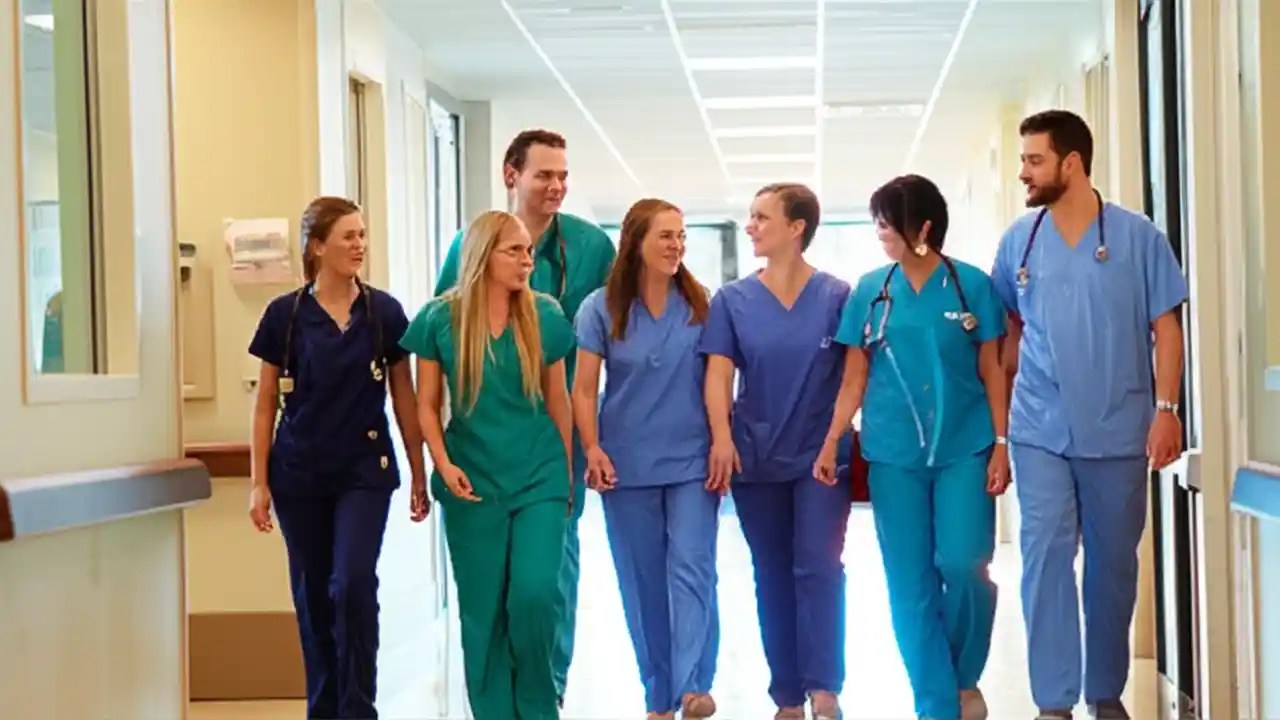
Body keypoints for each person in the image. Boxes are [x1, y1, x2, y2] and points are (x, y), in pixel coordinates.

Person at [991, 110, 1188, 720]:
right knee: (1044, 552)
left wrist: (1167, 410)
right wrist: (1000, 431)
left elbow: (1167, 327)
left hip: (1119, 424)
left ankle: (1105, 692)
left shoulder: (1137, 237)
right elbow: (1007, 335)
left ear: (1070, 163)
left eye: (1034, 160)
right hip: (1039, 428)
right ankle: (1053, 699)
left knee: (1112, 563)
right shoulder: (1018, 241)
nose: (1024, 171)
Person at [815, 175, 1010, 720]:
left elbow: (993, 370)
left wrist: (1001, 443)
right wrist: (833, 439)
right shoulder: (871, 291)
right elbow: (853, 378)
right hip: (893, 456)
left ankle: (962, 673)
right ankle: (937, 704)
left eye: (888, 219)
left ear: (922, 227)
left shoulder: (971, 287)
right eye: (877, 219)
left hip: (966, 449)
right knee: (910, 580)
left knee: (966, 561)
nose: (879, 229)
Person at [433, 129, 616, 701]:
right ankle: (499, 701)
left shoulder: (588, 246)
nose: (557, 186)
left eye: (563, 175)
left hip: (550, 440)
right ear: (511, 175)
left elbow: (617, 327)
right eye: (544, 174)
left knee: (548, 578)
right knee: (492, 584)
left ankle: (546, 691)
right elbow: (445, 331)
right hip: (482, 444)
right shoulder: (469, 244)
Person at [247, 196, 429, 719]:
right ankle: (323, 708)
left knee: (350, 583)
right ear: (317, 246)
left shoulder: (383, 313)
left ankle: (358, 707)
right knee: (313, 595)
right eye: (348, 236)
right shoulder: (285, 316)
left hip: (364, 473)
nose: (359, 245)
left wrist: (418, 472)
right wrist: (258, 483)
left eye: (363, 235)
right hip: (298, 473)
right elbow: (264, 406)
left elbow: (405, 398)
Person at [404, 210, 576, 720]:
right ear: (483, 256)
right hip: (471, 479)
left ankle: (539, 710)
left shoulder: (544, 316)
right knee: (482, 615)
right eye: (515, 251)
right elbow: (426, 404)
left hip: (539, 475)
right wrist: (441, 462)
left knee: (535, 596)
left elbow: (559, 400)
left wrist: (564, 472)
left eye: (529, 251)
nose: (527, 260)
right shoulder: (439, 319)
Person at [700, 183, 851, 720]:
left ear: (797, 228)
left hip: (820, 458)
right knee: (771, 571)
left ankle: (824, 685)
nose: (751, 226)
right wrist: (721, 437)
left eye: (762, 217)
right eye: (750, 217)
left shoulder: (837, 297)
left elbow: (855, 375)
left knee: (819, 566)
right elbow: (718, 374)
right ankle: (787, 693)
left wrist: (836, 437)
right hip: (755, 457)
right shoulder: (733, 301)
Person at [571, 198, 721, 720]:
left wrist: (722, 440)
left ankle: (693, 687)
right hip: (626, 464)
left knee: (693, 568)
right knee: (642, 581)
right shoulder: (600, 309)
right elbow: (584, 388)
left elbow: (719, 384)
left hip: (693, 462)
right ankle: (658, 696)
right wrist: (591, 446)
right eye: (665, 235)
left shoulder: (702, 305)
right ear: (635, 241)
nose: (677, 245)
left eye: (681, 236)